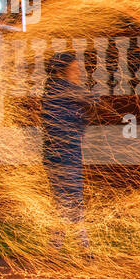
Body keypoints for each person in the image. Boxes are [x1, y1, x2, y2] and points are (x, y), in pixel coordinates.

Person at [40, 51, 97, 252]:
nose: (79, 73)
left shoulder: (52, 89)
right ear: (62, 72)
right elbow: (94, 99)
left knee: (64, 202)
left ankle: (55, 247)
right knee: (72, 202)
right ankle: (84, 248)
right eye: (74, 69)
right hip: (65, 156)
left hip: (58, 155)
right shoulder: (63, 88)